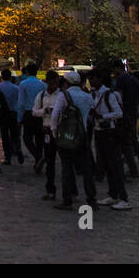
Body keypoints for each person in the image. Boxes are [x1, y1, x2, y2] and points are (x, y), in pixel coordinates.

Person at [49, 71, 97, 210]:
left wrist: (54, 132)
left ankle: (67, 199)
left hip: (67, 136)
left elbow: (55, 114)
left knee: (67, 168)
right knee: (86, 169)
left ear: (66, 82)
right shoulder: (86, 96)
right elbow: (92, 113)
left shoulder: (64, 95)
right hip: (83, 135)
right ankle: (91, 199)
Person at [88, 68, 130, 210]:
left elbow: (118, 113)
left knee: (116, 165)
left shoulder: (108, 94)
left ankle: (123, 198)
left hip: (110, 133)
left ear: (99, 79)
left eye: (92, 78)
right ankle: (113, 195)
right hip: (99, 132)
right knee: (107, 165)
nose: (90, 81)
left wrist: (103, 117)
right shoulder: (94, 94)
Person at [110, 61, 139, 178]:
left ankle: (132, 170)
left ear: (117, 68)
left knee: (125, 143)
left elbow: (120, 97)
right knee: (134, 142)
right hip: (133, 112)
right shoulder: (133, 79)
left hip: (125, 114)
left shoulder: (121, 80)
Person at [33, 70, 59, 197]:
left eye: (56, 83)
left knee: (66, 162)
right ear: (48, 82)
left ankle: (71, 191)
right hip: (47, 130)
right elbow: (34, 111)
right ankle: (50, 189)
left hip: (60, 131)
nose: (54, 86)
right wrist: (45, 111)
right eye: (52, 83)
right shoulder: (41, 95)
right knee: (50, 161)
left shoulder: (62, 95)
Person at [17, 62, 47, 170]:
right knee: (39, 138)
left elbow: (21, 102)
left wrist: (19, 118)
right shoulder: (43, 85)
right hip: (40, 113)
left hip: (29, 113)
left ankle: (38, 157)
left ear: (27, 72)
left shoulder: (23, 84)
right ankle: (38, 160)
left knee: (27, 138)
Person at [0, 68, 22, 165]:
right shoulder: (16, 88)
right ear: (10, 77)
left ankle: (7, 157)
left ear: (1, 77)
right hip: (14, 114)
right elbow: (19, 102)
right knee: (15, 135)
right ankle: (18, 149)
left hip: (2, 114)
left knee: (5, 136)